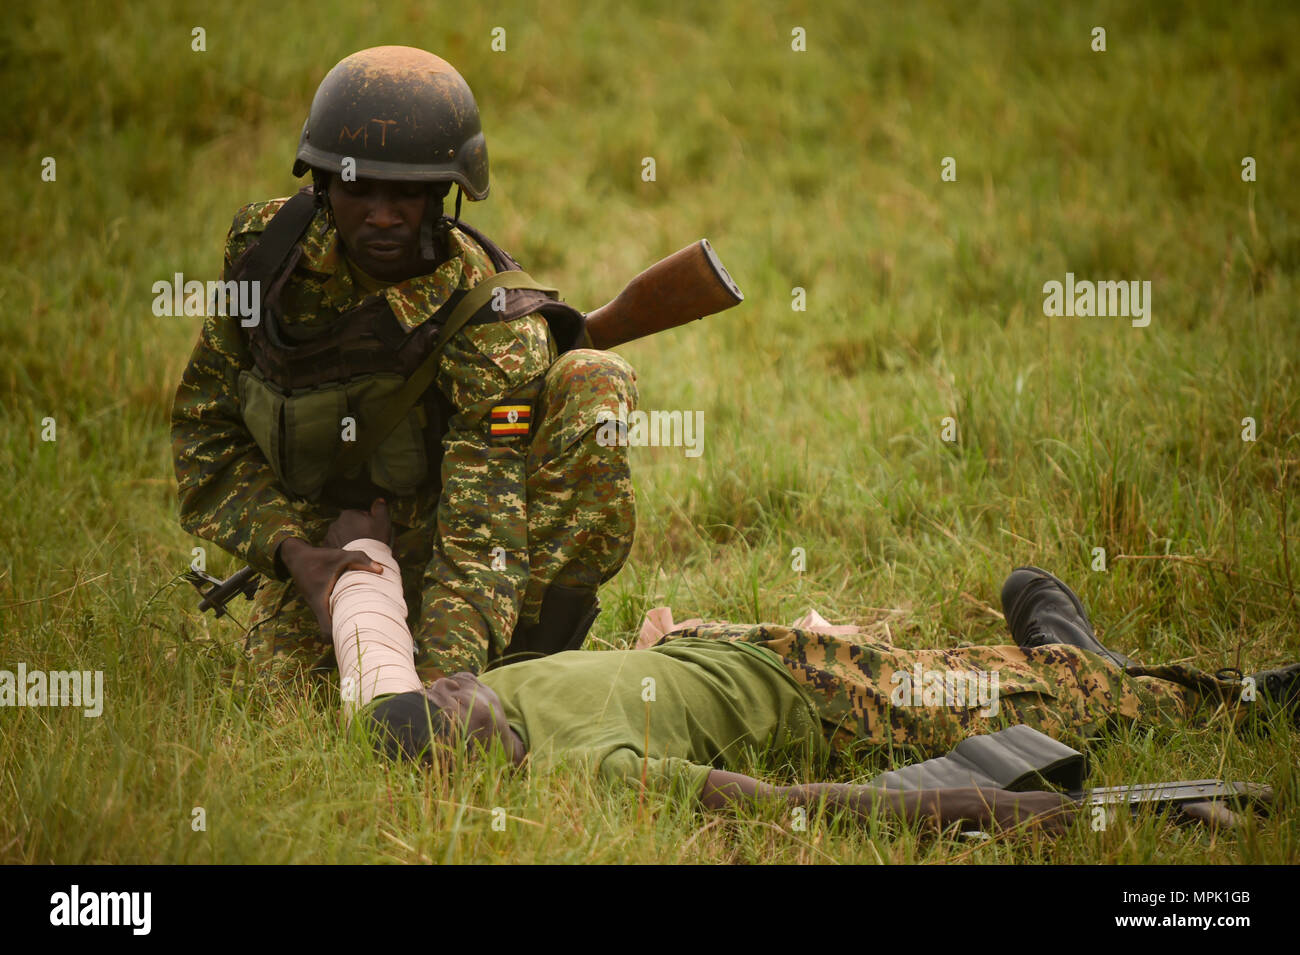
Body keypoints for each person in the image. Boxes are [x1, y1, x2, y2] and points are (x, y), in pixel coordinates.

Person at [323, 501, 1300, 834]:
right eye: (458, 715)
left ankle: (1062, 652)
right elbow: (770, 799)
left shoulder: (500, 688)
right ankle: (1253, 699)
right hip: (828, 702)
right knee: (1079, 700)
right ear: (475, 766)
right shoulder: (581, 770)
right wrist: (964, 809)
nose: (461, 691)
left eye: (449, 690)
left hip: (746, 641)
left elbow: (380, 646)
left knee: (1018, 676)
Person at [171, 47, 638, 682]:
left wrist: (448, 690)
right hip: (325, 542)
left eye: (409, 194)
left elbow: (481, 538)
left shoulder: (492, 328)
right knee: (284, 689)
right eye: (360, 189)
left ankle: (533, 658)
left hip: (452, 540)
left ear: (446, 196)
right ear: (323, 183)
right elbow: (207, 433)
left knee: (593, 381)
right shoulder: (269, 262)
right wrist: (294, 553)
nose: (383, 216)